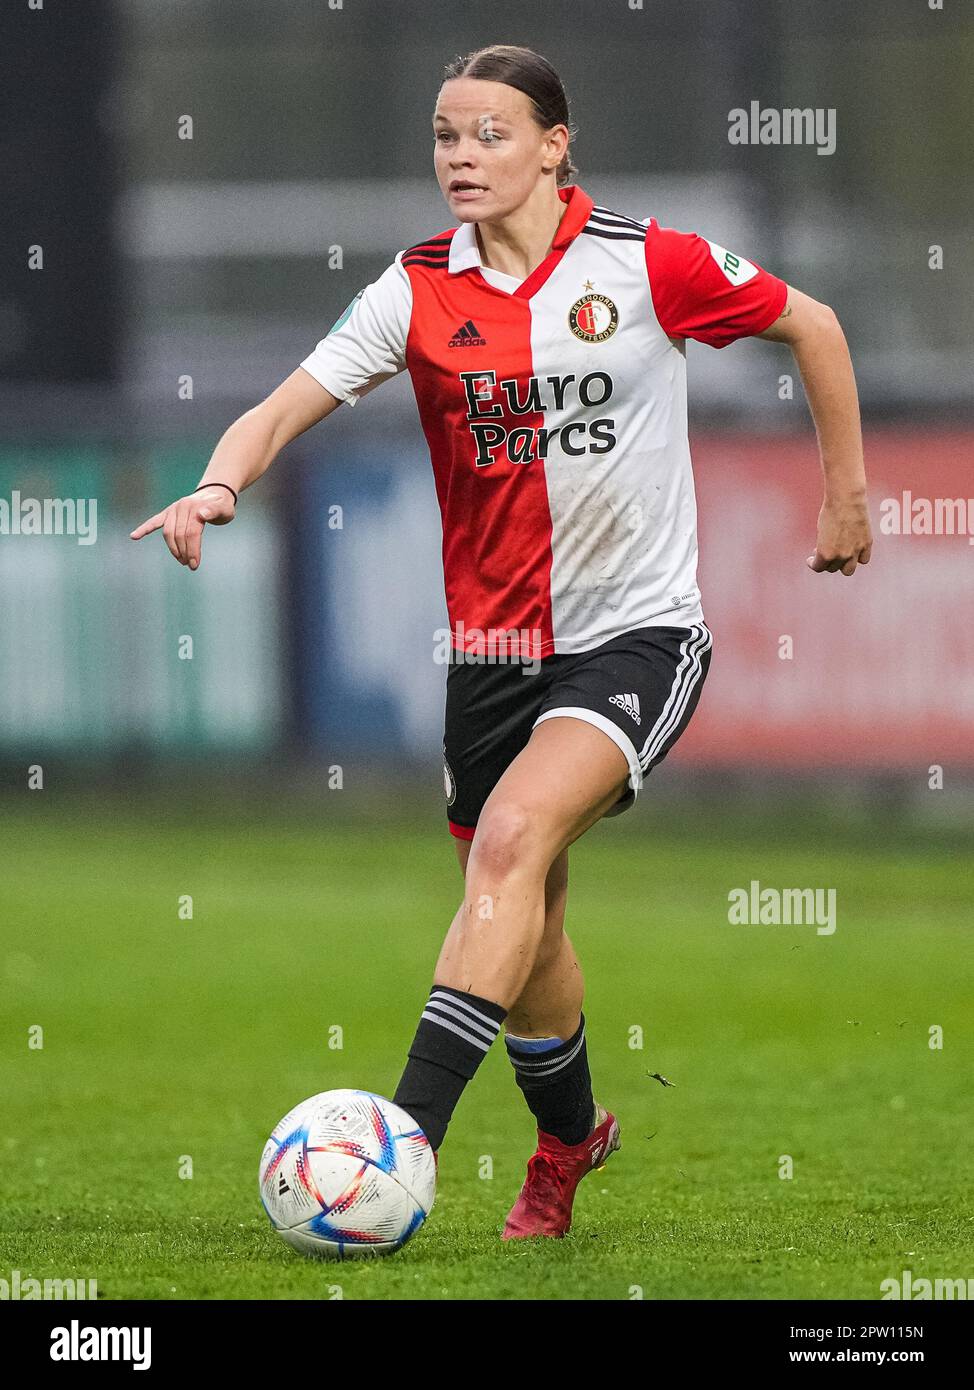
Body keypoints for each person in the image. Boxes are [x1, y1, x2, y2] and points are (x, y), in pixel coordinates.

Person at [131, 44, 872, 1240]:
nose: (459, 157)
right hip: (488, 650)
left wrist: (844, 494)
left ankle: (398, 1140)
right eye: (442, 135)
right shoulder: (413, 290)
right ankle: (570, 1140)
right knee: (526, 914)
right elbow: (278, 408)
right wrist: (219, 487)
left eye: (486, 133)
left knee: (513, 842)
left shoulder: (649, 263)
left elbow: (816, 325)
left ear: (551, 144)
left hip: (636, 633)